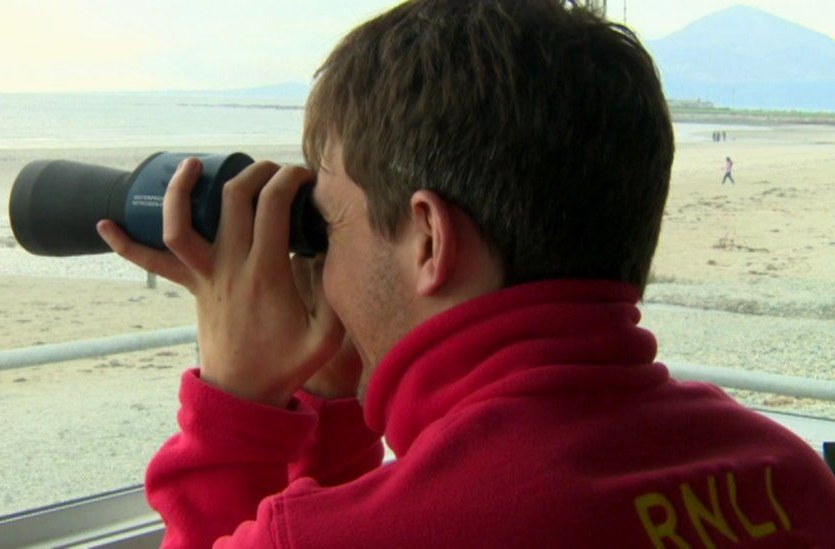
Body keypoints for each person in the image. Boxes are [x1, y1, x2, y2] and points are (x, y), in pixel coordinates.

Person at [98, 1, 835, 546]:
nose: (318, 263)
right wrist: (333, 388)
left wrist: (235, 405)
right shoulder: (787, 475)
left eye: (328, 221)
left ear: (428, 239)